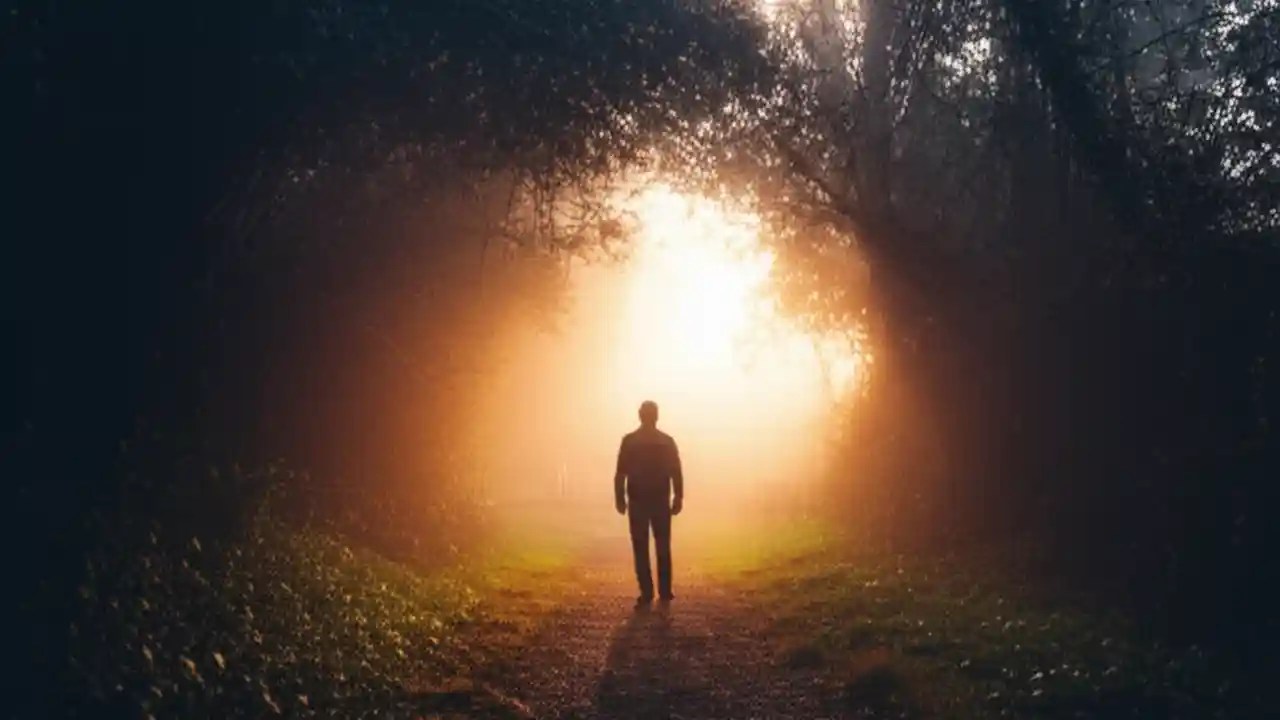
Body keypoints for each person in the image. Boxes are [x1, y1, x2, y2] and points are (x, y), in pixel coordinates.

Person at [614, 400, 683, 607]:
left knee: (640, 546)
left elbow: (620, 473)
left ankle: (646, 591)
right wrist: (678, 496)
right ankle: (664, 590)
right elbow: (676, 471)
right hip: (660, 499)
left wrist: (620, 498)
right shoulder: (666, 441)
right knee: (662, 545)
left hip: (637, 500)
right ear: (657, 416)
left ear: (640, 415)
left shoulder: (629, 441)